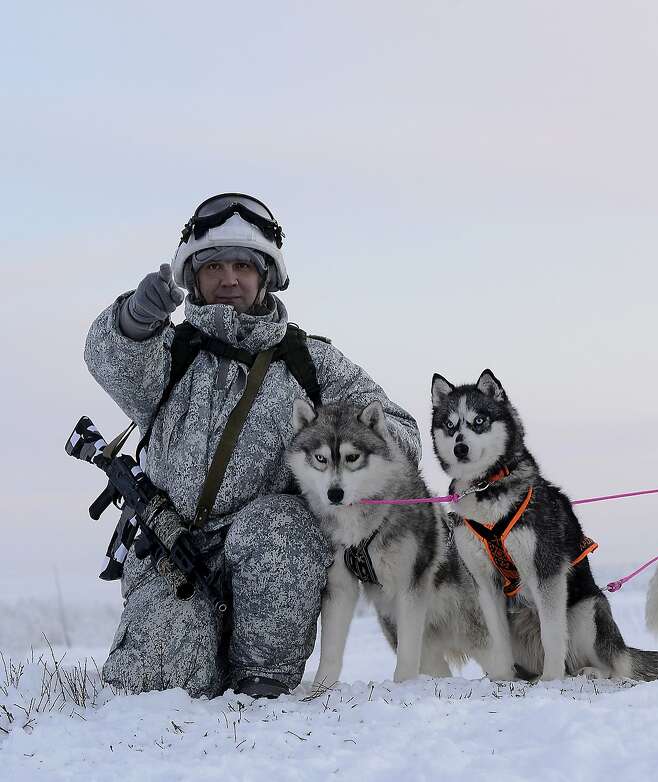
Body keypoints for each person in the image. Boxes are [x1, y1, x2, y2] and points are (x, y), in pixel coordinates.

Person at [84, 193, 420, 698]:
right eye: (214, 265)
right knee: (151, 693)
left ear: (266, 276)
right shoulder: (169, 353)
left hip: (271, 547)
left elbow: (400, 434)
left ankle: (263, 680)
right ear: (192, 277)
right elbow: (111, 359)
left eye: (243, 265)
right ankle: (201, 655)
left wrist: (345, 462)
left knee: (281, 523)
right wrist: (135, 319)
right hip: (173, 549)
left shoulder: (310, 363)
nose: (229, 278)